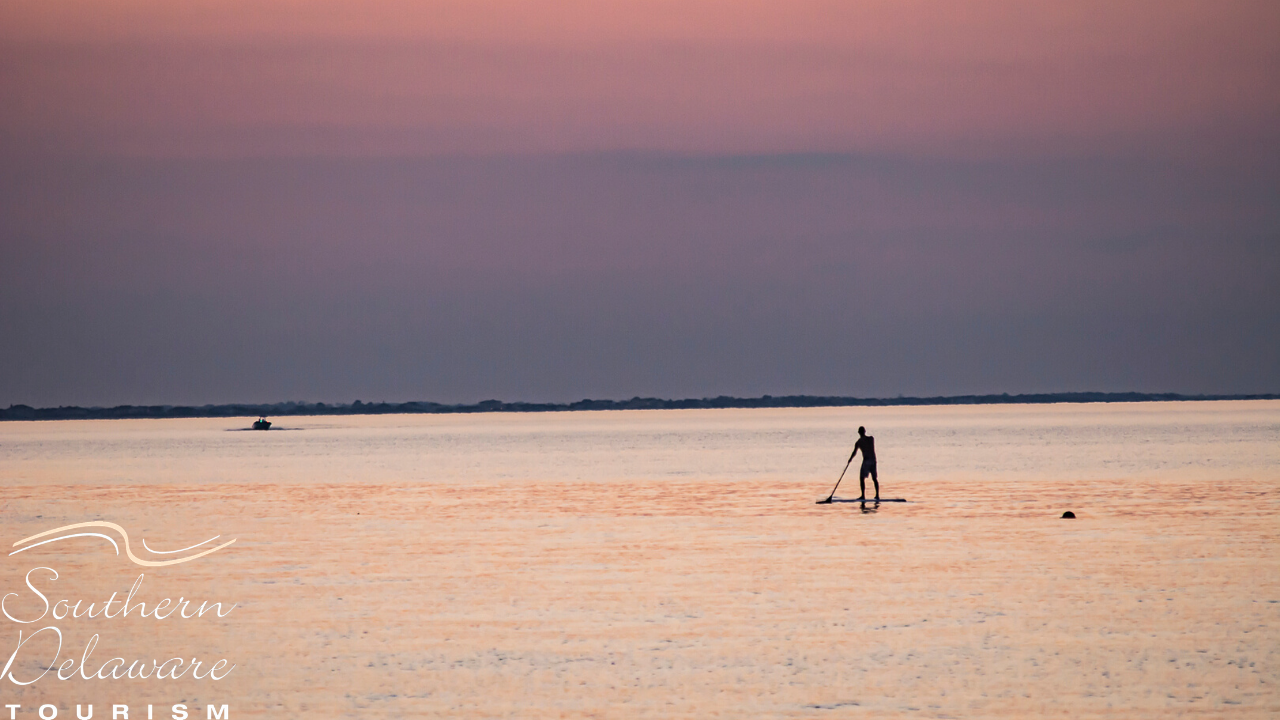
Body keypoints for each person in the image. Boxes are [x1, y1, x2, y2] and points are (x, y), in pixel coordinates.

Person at [848, 426, 878, 501]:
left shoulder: (859, 442)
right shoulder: (871, 439)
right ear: (864, 431)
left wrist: (850, 459)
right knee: (874, 478)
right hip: (873, 460)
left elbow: (854, 452)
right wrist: (850, 459)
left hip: (867, 461)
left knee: (862, 478)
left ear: (859, 433)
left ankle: (863, 496)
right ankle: (877, 495)